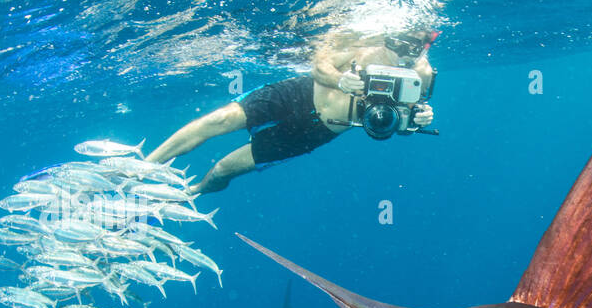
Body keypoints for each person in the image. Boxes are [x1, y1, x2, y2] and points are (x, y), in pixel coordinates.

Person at [145, 28, 439, 194]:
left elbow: (395, 118)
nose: (404, 54)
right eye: (399, 44)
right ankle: (144, 166)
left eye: (416, 47)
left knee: (224, 169)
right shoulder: (363, 41)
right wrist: (339, 79)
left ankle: (188, 194)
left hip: (316, 131)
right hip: (298, 94)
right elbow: (318, 64)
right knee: (219, 120)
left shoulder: (423, 72)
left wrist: (419, 117)